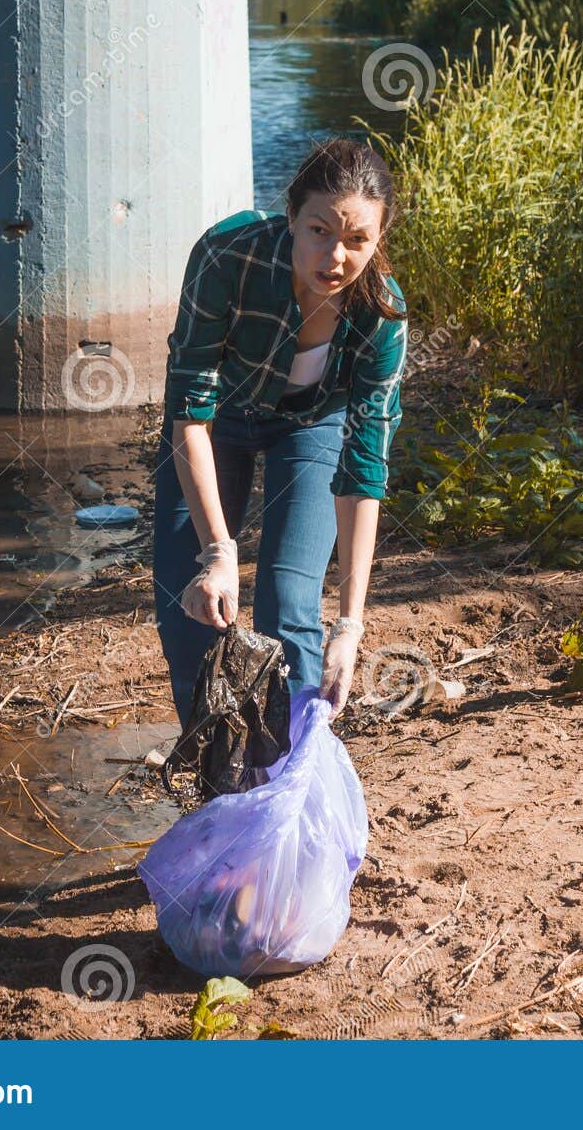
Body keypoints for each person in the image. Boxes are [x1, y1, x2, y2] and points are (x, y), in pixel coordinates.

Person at [152, 137, 407, 728]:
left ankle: (290, 770)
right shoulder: (226, 257)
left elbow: (364, 467)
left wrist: (350, 625)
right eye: (319, 230)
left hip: (310, 426)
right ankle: (212, 771)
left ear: (378, 240)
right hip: (217, 426)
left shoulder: (382, 314)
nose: (335, 256)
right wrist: (218, 552)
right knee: (190, 601)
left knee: (289, 608)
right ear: (291, 215)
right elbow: (189, 411)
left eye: (357, 240)